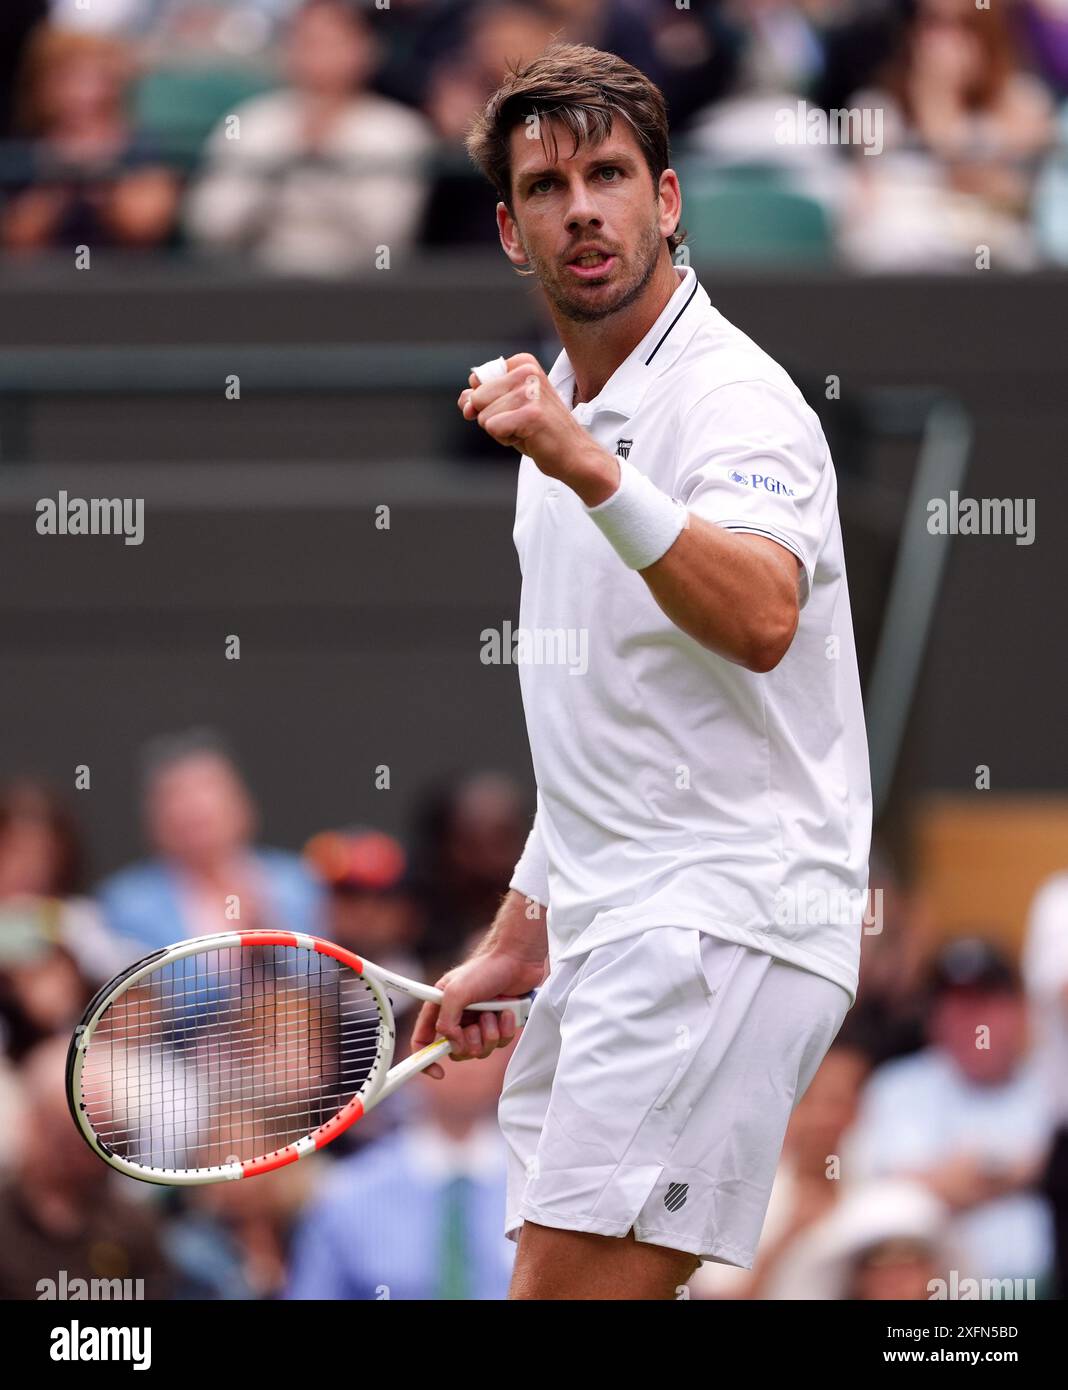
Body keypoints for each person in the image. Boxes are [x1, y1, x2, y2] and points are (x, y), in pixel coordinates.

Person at [409, 43, 872, 1300]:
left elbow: (764, 613)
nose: (586, 211)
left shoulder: (737, 400)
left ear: (666, 202)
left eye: (611, 175)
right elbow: (609, 732)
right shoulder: (553, 415)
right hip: (624, 929)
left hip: (725, 918)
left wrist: (590, 466)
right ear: (511, 229)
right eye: (550, 189)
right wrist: (520, 934)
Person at [846, 937, 1054, 1286]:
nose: (970, 1022)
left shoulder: (1051, 1087)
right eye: (954, 1005)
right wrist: (1031, 1171)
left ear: (1019, 1010)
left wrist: (971, 1176)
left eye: (983, 1003)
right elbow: (890, 1194)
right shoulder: (897, 1088)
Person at [184, 0, 434, 276]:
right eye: (307, 41)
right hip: (259, 285)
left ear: (366, 50)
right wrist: (282, 161)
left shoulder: (398, 130)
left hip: (364, 290)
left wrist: (326, 157)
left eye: (334, 42)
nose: (320, 55)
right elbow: (211, 226)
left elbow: (388, 236)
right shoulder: (249, 122)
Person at [285, 1003, 517, 1300]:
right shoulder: (344, 1193)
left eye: (482, 1043)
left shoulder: (544, 1187)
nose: (466, 1058)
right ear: (409, 1055)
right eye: (446, 1044)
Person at [96, 728, 325, 956]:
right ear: (152, 819)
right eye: (175, 794)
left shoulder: (301, 882)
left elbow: (327, 973)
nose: (194, 805)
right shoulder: (126, 904)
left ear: (242, 802)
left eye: (208, 787)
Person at [1, 26, 179, 254]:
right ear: (43, 86)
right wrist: (60, 175)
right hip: (43, 284)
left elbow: (144, 226)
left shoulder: (144, 146)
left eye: (100, 78)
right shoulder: (19, 151)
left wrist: (99, 171)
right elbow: (18, 240)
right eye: (69, 78)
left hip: (129, 281)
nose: (86, 93)